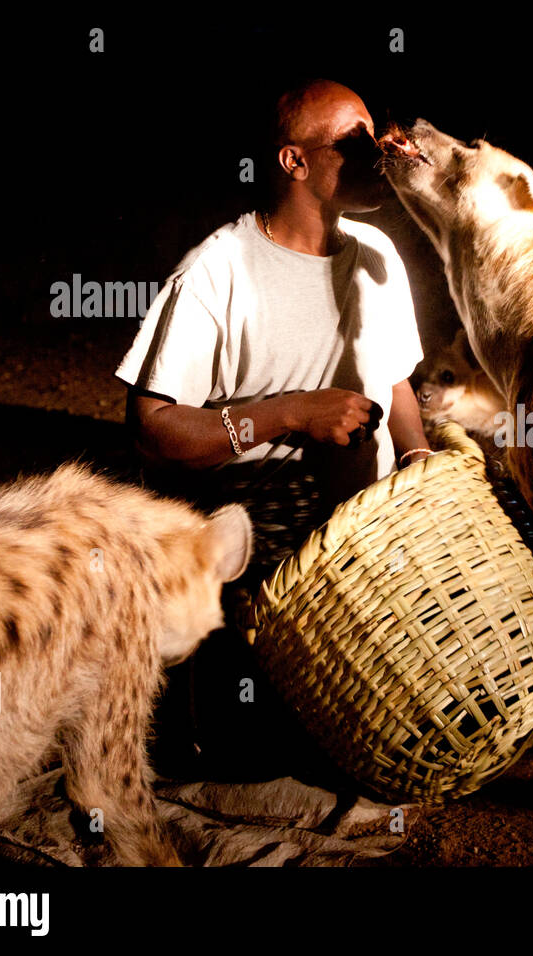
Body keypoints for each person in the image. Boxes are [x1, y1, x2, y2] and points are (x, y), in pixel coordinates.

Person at [114, 79, 432, 780]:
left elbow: (398, 377)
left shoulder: (376, 253)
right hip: (264, 538)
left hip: (365, 534)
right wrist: (289, 412)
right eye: (353, 142)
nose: (376, 154)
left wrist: (418, 457)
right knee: (256, 758)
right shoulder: (216, 272)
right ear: (293, 162)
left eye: (375, 137)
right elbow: (152, 428)